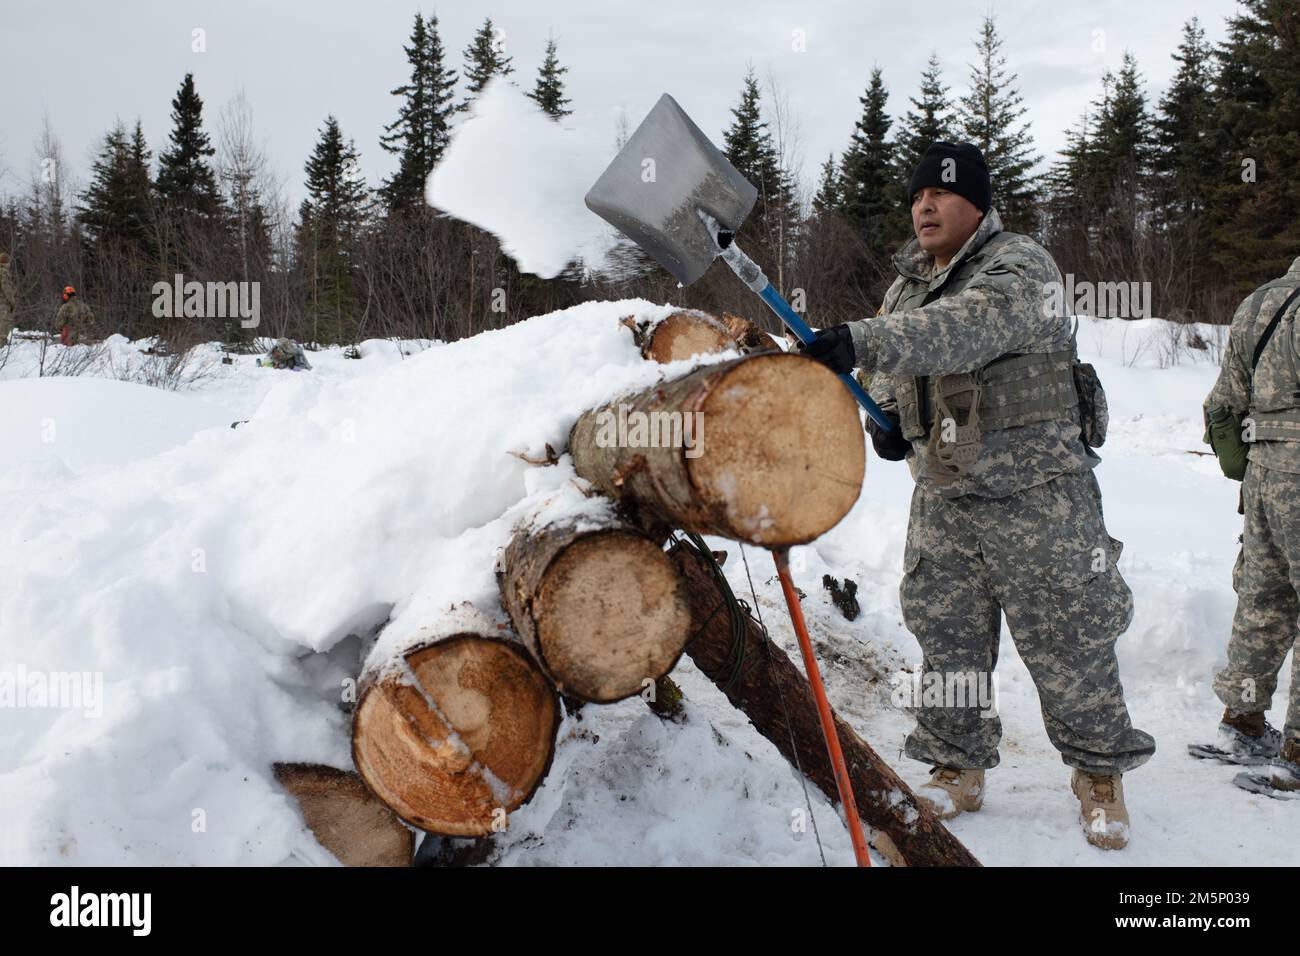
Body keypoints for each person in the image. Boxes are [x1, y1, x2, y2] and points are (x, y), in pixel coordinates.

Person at [800, 141, 1153, 849]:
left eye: (943, 193)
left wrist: (860, 340)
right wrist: (893, 420)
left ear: (981, 204)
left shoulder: (1020, 266)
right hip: (945, 495)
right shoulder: (906, 286)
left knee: (1069, 636)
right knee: (945, 636)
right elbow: (907, 373)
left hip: (1039, 495)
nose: (924, 205)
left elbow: (965, 329)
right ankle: (956, 763)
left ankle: (1099, 773)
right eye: (918, 194)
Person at [1202, 252, 1300, 792]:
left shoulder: (1261, 300)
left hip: (1263, 475)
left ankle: (1241, 723)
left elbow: (1223, 402)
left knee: (1264, 598)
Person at [0, 252, 15, 344]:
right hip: (2, 303)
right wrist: (12, 301)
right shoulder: (3, 272)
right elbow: (7, 289)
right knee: (4, 323)